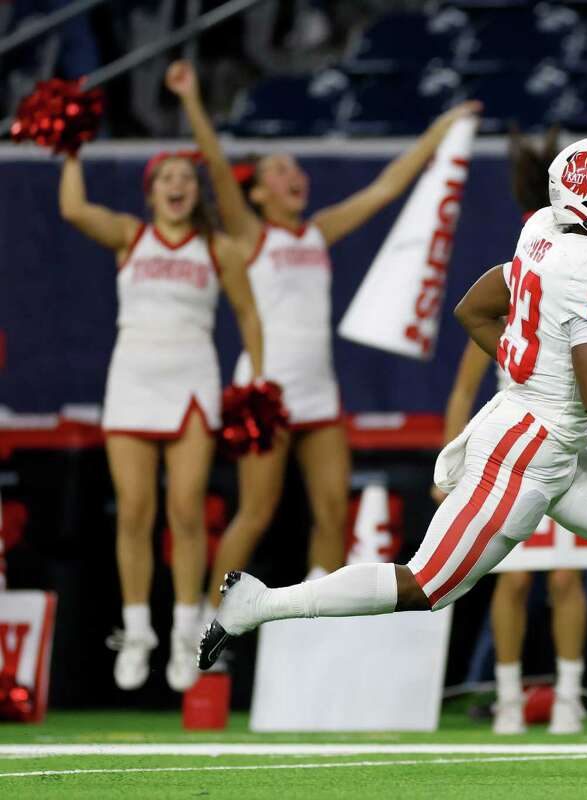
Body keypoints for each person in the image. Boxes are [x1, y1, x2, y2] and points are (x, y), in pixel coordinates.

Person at [200, 135, 587, 761]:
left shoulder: (543, 230)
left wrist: (533, 367)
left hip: (550, 435)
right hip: (527, 449)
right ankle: (261, 603)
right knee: (427, 584)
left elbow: (475, 309)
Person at [165, 61, 480, 614]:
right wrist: (192, 98)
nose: (294, 175)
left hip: (318, 391)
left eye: (296, 167)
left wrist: (441, 130)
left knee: (333, 512)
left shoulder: (317, 231)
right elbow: (215, 166)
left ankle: (316, 621)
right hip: (266, 392)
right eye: (279, 169)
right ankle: (207, 618)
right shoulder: (249, 234)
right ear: (259, 194)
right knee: (256, 513)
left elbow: (387, 188)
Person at [436, 126, 587, 735]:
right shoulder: (522, 289)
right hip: (518, 429)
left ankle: (571, 692)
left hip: (571, 434)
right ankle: (510, 694)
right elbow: (468, 379)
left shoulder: (583, 291)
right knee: (512, 576)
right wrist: (452, 466)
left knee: (568, 575)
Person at [59, 146, 263, 692]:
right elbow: (75, 210)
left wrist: (256, 381)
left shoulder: (216, 248)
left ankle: (183, 628)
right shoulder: (130, 235)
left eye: (186, 179)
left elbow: (247, 312)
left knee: (186, 507)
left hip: (191, 379)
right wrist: (71, 150)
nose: (177, 185)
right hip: (132, 378)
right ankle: (137, 630)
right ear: (151, 193)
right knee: (134, 510)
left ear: (195, 193)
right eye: (166, 178)